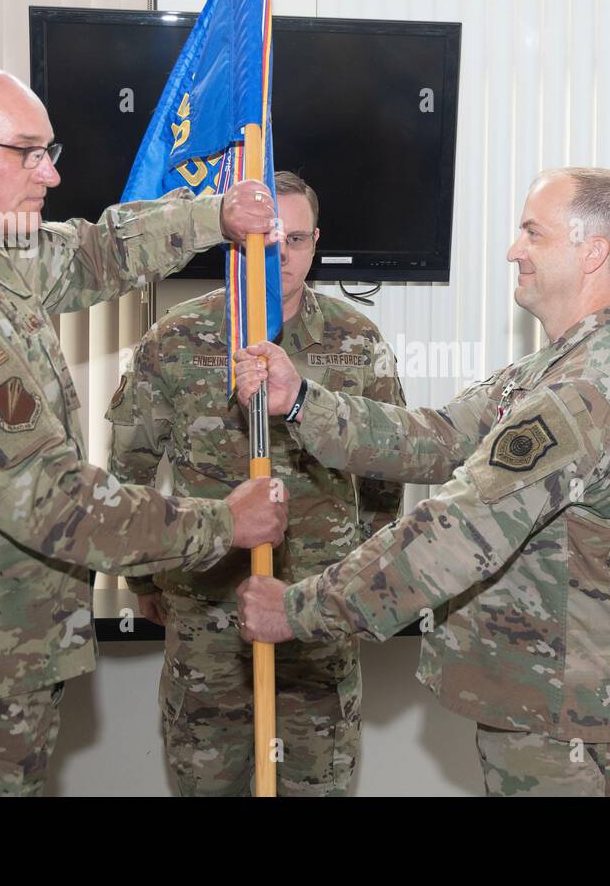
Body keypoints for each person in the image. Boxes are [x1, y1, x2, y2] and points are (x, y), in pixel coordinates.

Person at [0, 62, 288, 797]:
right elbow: (55, 502)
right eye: (27, 154)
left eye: (50, 152)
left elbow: (94, 253)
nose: (50, 175)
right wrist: (222, 525)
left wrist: (214, 216)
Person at [235, 168, 610, 796]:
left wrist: (296, 609)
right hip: (545, 710)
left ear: (593, 252)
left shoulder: (589, 392)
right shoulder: (551, 370)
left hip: (581, 730)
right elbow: (437, 436)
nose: (512, 249)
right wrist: (302, 400)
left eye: (533, 232)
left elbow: (453, 532)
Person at [108, 171, 404, 796]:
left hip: (316, 614)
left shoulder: (357, 344)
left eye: (296, 240)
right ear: (239, 241)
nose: (283, 256)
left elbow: (385, 476)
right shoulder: (176, 341)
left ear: (316, 243)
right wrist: (142, 580)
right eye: (269, 240)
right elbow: (131, 467)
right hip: (209, 612)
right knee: (207, 783)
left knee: (314, 786)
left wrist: (358, 586)